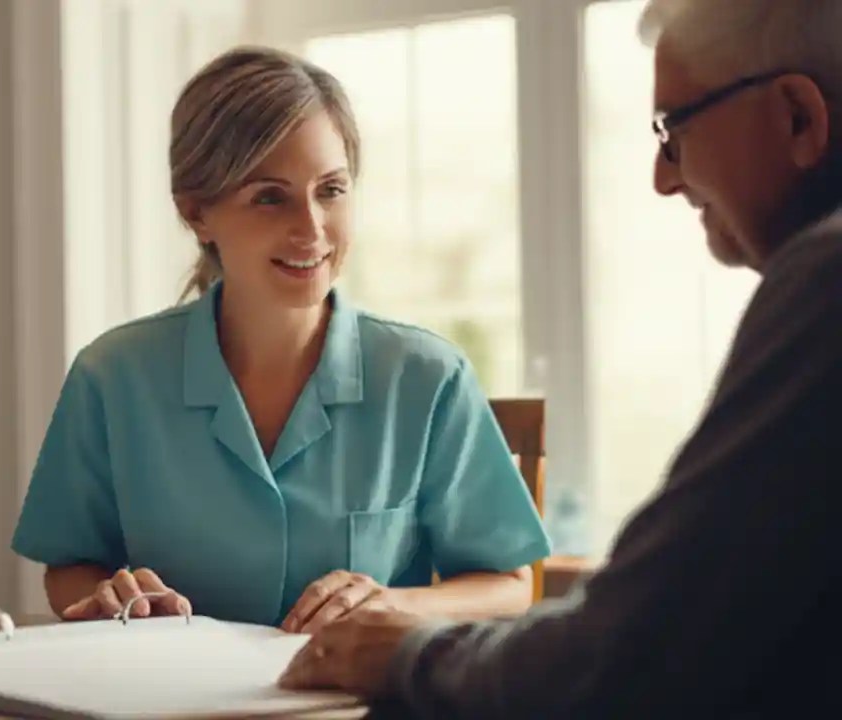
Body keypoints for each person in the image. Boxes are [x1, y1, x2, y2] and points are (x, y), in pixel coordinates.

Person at [279, 0, 842, 716]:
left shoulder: (826, 279)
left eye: (674, 129)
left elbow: (629, 650)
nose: (663, 179)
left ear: (797, 116)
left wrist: (403, 651)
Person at [10, 46, 552, 633]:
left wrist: (393, 603)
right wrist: (111, 597)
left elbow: (509, 584)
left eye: (332, 190)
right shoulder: (111, 375)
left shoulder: (427, 376)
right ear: (197, 213)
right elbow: (67, 565)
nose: (311, 228)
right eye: (270, 196)